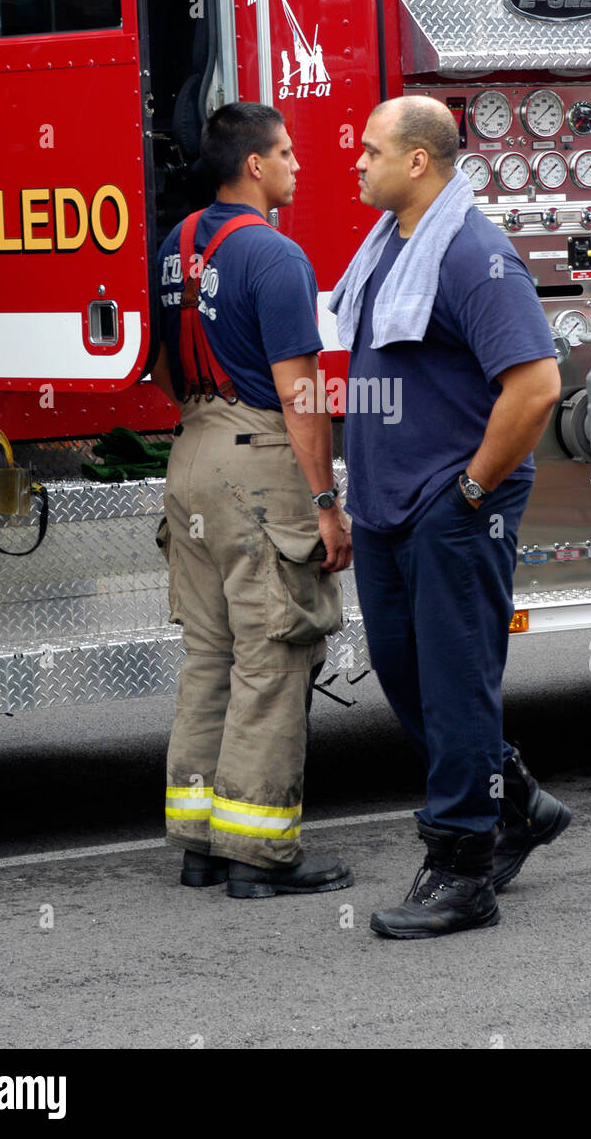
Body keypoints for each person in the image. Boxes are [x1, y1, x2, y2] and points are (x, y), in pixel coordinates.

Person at [329, 95, 570, 939]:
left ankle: (463, 871)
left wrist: (469, 494)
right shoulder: (387, 245)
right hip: (388, 506)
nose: (356, 161)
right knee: (409, 680)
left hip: (451, 507)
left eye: (369, 150)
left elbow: (536, 387)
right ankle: (516, 801)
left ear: (418, 161)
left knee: (456, 684)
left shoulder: (472, 252)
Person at [151, 101, 353, 899]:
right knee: (274, 654)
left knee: (210, 654)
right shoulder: (275, 256)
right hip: (258, 459)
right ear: (255, 167)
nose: (299, 166)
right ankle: (259, 855)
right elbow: (299, 393)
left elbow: (161, 368)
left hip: (191, 448)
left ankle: (200, 843)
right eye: (288, 153)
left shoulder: (177, 245)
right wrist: (326, 501)